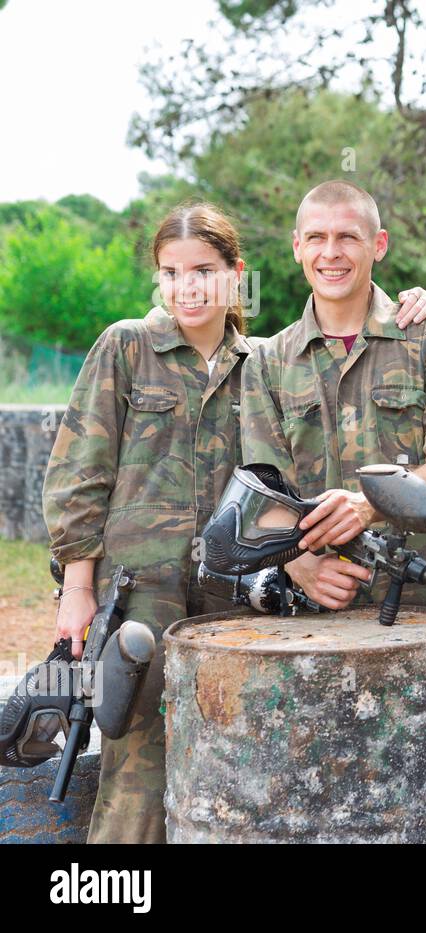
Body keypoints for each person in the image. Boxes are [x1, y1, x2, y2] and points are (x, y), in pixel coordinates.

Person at [42, 202, 254, 843]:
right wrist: (78, 590)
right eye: (171, 272)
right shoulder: (127, 346)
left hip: (234, 598)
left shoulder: (265, 364)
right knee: (135, 766)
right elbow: (81, 471)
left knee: (233, 762)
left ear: (234, 275)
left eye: (203, 271)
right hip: (139, 597)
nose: (187, 287)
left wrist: (419, 305)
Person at [240, 180, 426, 612]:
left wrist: (369, 506)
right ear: (297, 247)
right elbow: (264, 493)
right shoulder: (267, 363)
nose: (331, 252)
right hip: (321, 603)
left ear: (378, 244)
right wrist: (299, 565)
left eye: (348, 236)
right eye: (316, 238)